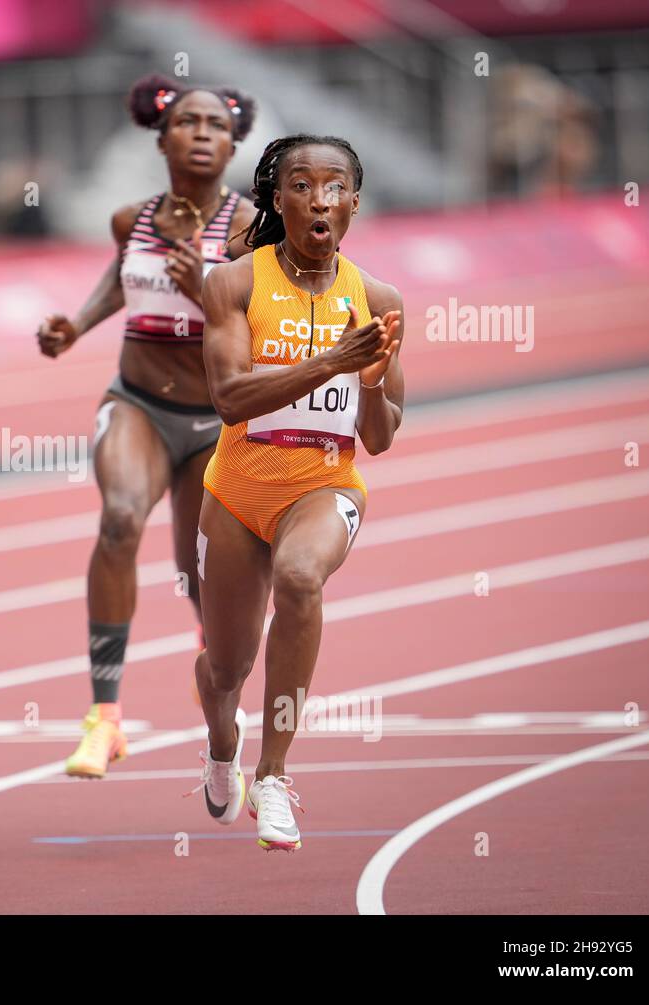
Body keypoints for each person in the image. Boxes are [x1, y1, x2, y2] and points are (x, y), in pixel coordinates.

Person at [37, 74, 257, 778]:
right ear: (161, 138)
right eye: (187, 123)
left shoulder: (251, 226)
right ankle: (104, 718)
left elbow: (265, 322)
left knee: (198, 574)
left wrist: (208, 291)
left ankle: (218, 681)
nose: (201, 134)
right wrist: (75, 322)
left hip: (213, 417)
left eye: (215, 126)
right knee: (120, 519)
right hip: (137, 403)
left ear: (232, 145)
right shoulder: (130, 217)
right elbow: (118, 278)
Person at [192, 134, 404, 850]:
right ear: (277, 200)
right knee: (226, 665)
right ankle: (223, 740)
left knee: (300, 576)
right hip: (236, 490)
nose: (321, 198)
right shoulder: (234, 284)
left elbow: (379, 437)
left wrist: (370, 377)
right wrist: (334, 360)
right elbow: (229, 398)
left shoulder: (376, 297)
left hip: (325, 484)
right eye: (303, 185)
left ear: (354, 200)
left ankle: (274, 774)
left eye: (336, 185)